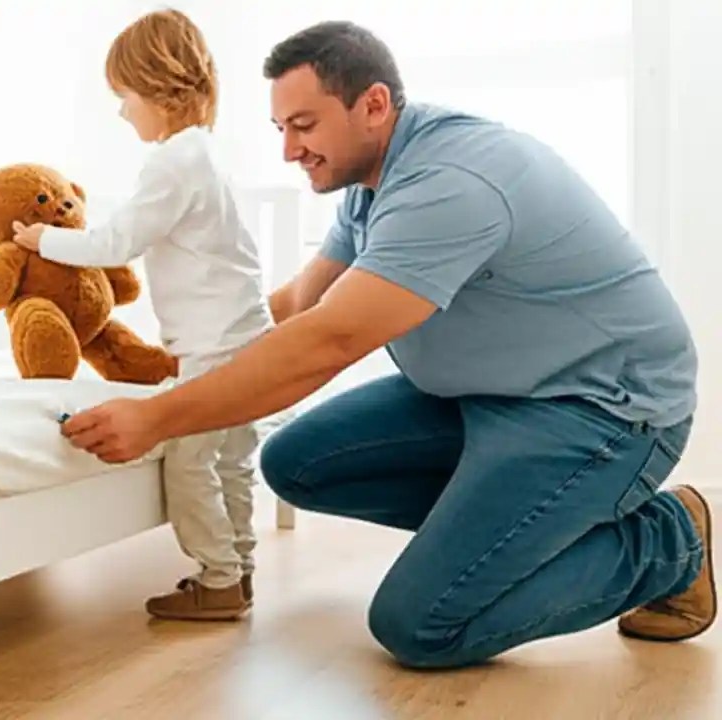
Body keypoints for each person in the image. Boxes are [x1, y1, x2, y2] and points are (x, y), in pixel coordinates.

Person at [56, 19, 713, 667]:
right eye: (280, 128)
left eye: (304, 125)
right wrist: (185, 361)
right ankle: (522, 527)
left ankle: (669, 542)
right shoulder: (374, 181)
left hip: (601, 409)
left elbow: (328, 340)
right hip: (482, 397)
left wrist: (157, 420)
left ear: (372, 104)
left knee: (420, 624)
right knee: (296, 462)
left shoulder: (450, 182)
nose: (289, 150)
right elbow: (294, 305)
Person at [10, 9, 273, 621]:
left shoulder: (173, 162)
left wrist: (39, 241)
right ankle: (241, 571)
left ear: (159, 88)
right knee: (232, 462)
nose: (122, 111)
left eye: (125, 96)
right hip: (246, 340)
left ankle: (217, 577)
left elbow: (112, 243)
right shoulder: (206, 156)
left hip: (213, 352)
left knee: (187, 461)